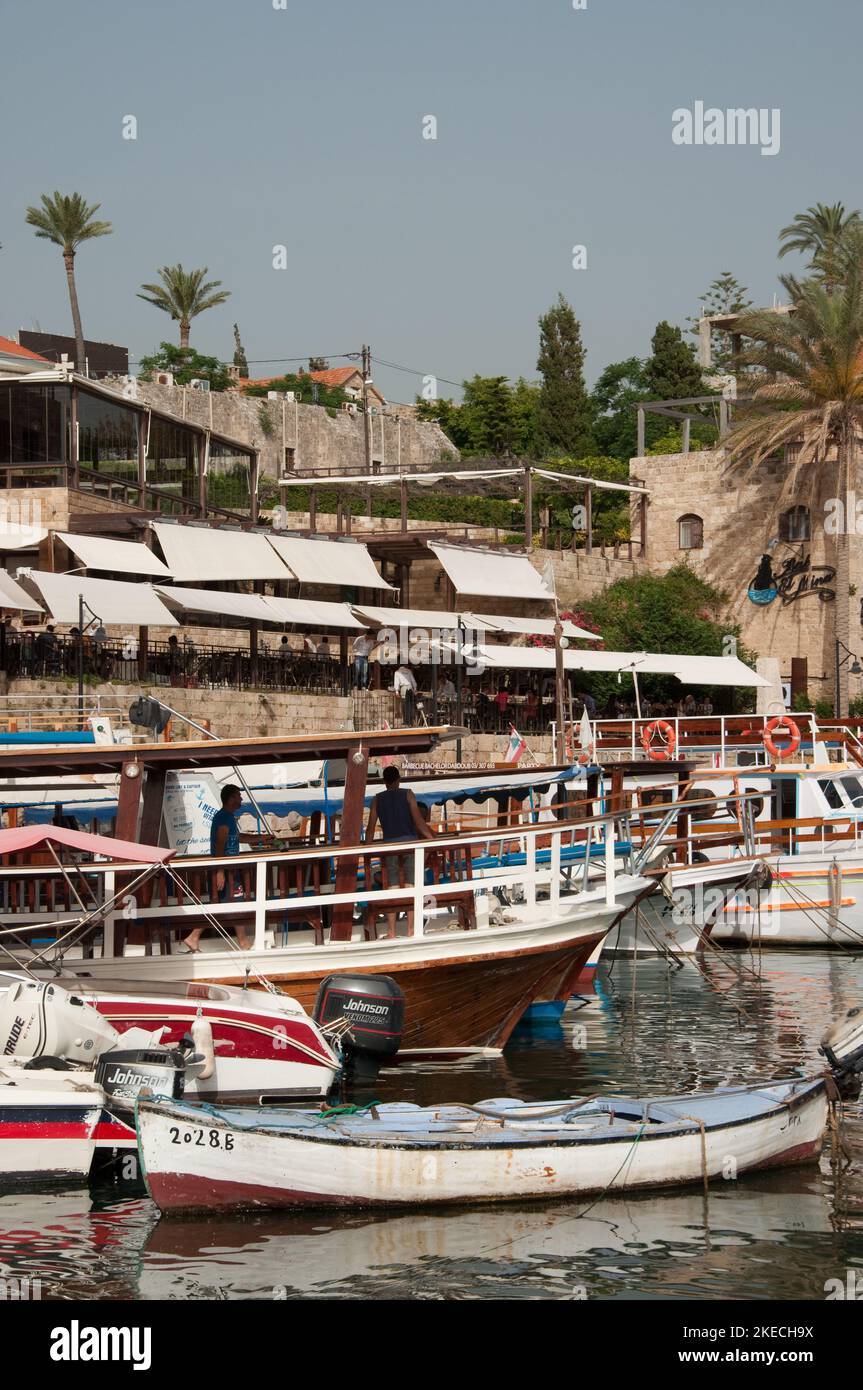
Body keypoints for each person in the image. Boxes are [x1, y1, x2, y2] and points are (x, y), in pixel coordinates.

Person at [182, 785, 274, 953]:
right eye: (239, 796)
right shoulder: (223, 817)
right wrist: (220, 871)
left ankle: (195, 937)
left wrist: (263, 838)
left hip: (228, 869)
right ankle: (241, 942)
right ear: (231, 799)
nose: (241, 799)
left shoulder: (229, 817)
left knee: (222, 904)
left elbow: (238, 838)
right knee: (230, 903)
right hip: (226, 870)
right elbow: (219, 844)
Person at [364, 766, 435, 936]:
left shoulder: (377, 799)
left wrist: (366, 847)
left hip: (390, 847)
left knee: (392, 887)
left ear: (384, 782)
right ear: (398, 779)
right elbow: (418, 821)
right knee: (411, 885)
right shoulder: (408, 794)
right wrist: (432, 839)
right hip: (410, 845)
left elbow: (371, 827)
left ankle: (391, 931)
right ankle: (411, 929)